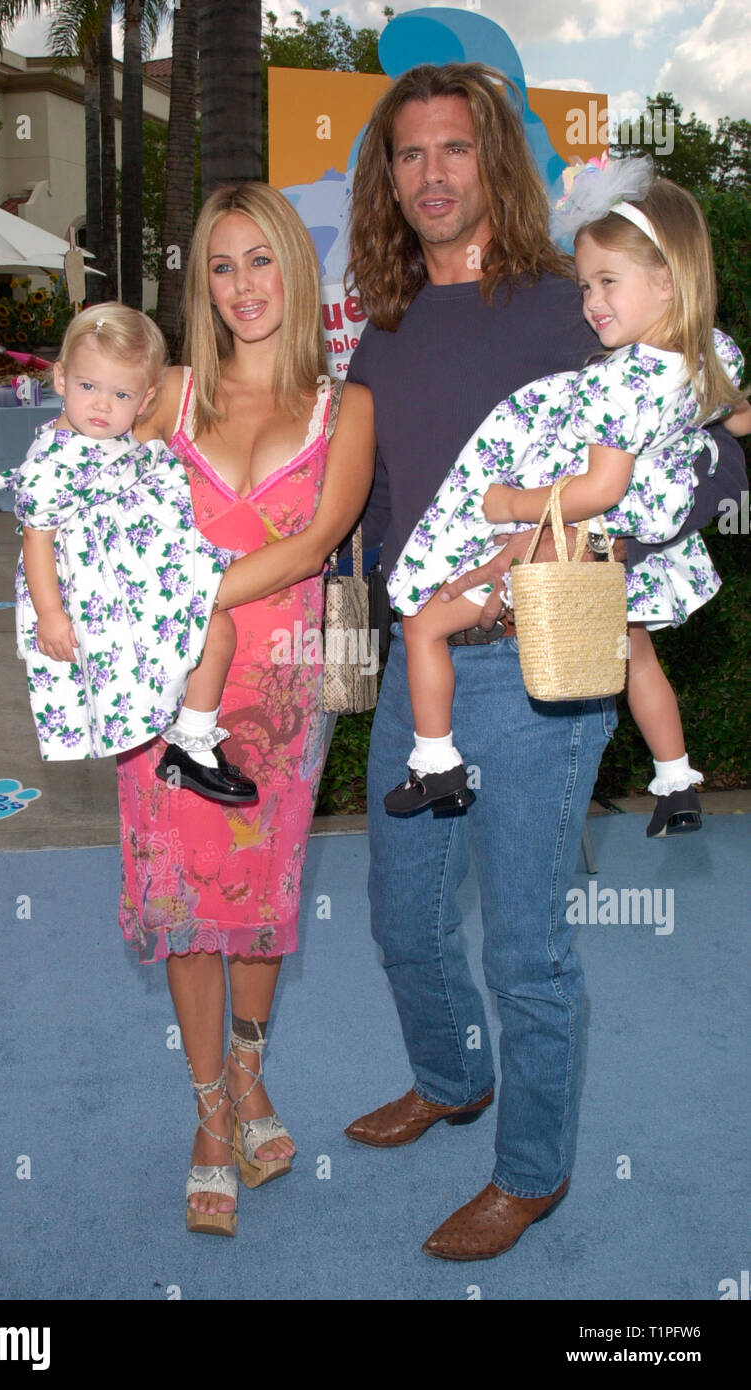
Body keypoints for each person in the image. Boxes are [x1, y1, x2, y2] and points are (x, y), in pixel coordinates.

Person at [341, 62, 748, 1261]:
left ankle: (532, 1175)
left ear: (495, 161)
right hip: (420, 670)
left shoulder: (574, 303)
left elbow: (723, 429)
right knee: (403, 920)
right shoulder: (386, 322)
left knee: (526, 947)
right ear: (389, 177)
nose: (431, 174)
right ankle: (452, 1079)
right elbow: (376, 499)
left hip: (543, 669)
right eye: (409, 154)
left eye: (454, 148)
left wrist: (636, 521)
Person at [120, 182, 374, 1236]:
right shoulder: (164, 392)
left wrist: (189, 588)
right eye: (220, 266)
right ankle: (213, 1115)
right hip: (170, 693)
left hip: (283, 693)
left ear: (295, 269)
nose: (241, 286)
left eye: (260, 261)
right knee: (184, 899)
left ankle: (249, 1074)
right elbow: (98, 509)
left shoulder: (344, 407)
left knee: (266, 894)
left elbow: (314, 545)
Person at [385, 159, 750, 838]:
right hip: (625, 550)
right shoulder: (704, 354)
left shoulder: (621, 384)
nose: (591, 303)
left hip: (576, 538)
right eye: (586, 285)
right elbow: (733, 417)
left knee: (423, 621)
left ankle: (435, 761)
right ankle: (675, 778)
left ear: (667, 282)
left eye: (608, 282)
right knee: (633, 647)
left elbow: (599, 488)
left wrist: (509, 504)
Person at [0, 301, 257, 803]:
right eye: (88, 386)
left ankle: (191, 741)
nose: (101, 406)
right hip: (98, 596)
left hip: (133, 572)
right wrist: (49, 614)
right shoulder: (52, 460)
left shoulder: (116, 439)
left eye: (121, 393)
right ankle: (192, 743)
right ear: (62, 378)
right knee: (207, 631)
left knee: (214, 630)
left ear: (146, 398)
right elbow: (36, 539)